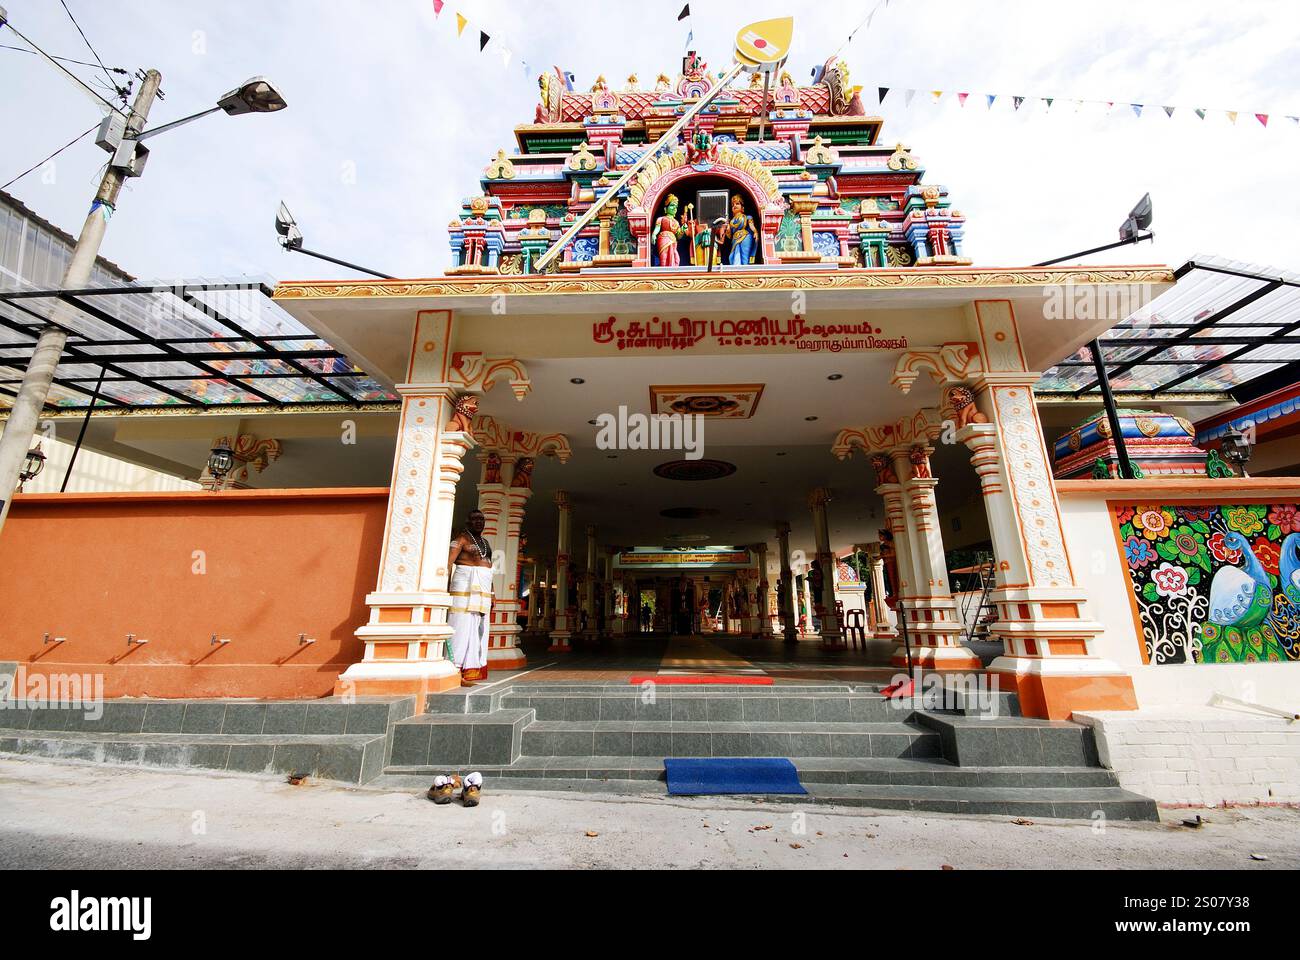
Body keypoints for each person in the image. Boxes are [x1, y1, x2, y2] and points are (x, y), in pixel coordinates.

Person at [448, 509, 493, 685]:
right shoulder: (460, 540)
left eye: (481, 519)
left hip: (483, 591)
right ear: (467, 522)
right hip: (463, 591)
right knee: (461, 625)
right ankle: (454, 668)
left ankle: (471, 670)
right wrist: (443, 587)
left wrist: (493, 592)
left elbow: (489, 567)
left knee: (478, 629)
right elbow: (449, 562)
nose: (479, 522)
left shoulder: (485, 542)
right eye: (474, 519)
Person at [722, 193, 758, 265]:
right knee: (732, 256)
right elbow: (729, 236)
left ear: (742, 207)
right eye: (733, 205)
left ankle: (745, 270)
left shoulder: (747, 217)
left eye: (737, 203)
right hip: (734, 239)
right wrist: (727, 229)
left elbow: (751, 226)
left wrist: (755, 232)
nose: (734, 206)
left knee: (744, 256)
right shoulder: (731, 221)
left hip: (745, 237)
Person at [652, 193, 685, 267]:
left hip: (673, 241)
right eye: (672, 205)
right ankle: (663, 271)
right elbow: (657, 228)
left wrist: (682, 229)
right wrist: (654, 234)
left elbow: (678, 236)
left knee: (676, 259)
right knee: (664, 256)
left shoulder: (676, 222)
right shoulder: (661, 219)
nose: (674, 208)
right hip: (664, 238)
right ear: (666, 208)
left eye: (676, 207)